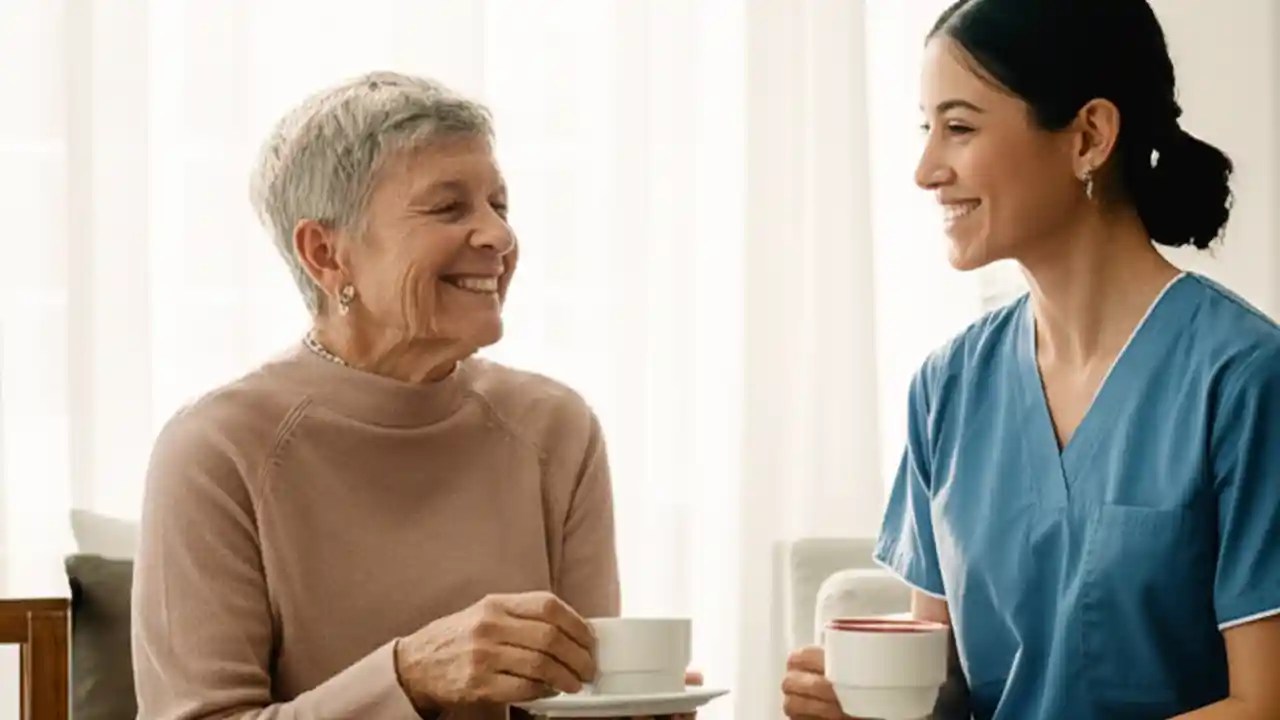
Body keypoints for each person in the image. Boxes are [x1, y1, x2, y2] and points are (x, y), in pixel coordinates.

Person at [131, 71, 693, 720]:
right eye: (448, 208)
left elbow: (578, 699)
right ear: (325, 254)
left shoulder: (557, 429)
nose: (499, 238)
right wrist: (408, 677)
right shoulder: (215, 449)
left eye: (499, 206)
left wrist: (639, 712)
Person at [781, 0, 1280, 718]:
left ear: (1089, 136)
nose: (926, 170)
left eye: (958, 128)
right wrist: (863, 702)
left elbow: (1263, 704)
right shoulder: (947, 388)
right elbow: (944, 687)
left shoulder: (1243, 379)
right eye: (927, 130)